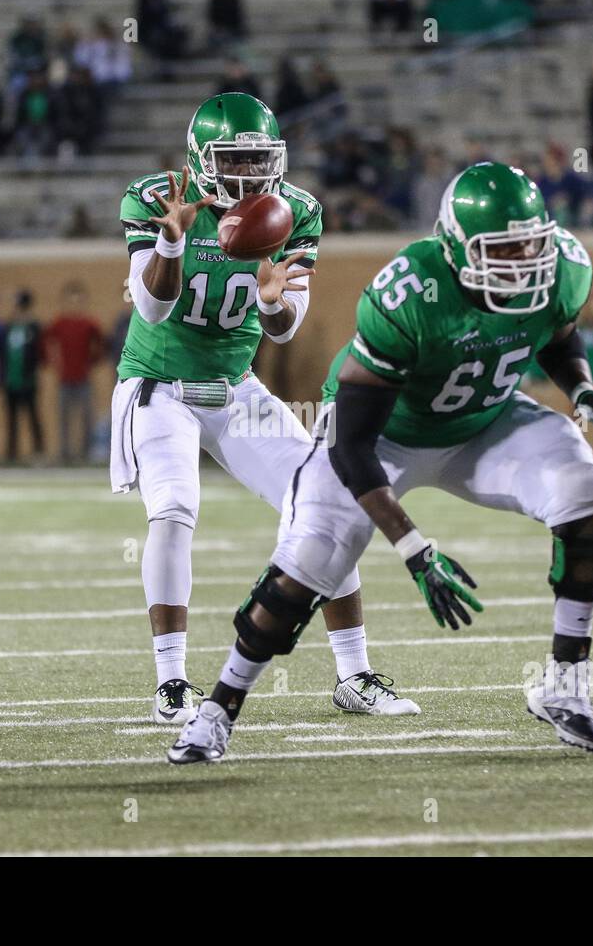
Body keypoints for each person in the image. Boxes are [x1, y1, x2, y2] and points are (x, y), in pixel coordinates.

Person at [167, 163, 593, 764]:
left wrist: (583, 392)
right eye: (504, 249)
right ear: (456, 248)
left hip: (483, 419)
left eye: (531, 243)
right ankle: (217, 712)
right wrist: (414, 548)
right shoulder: (408, 292)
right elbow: (352, 447)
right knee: (311, 558)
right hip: (385, 434)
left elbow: (555, 332)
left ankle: (566, 687)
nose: (524, 260)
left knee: (583, 487)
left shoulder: (564, 266)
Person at [114, 93, 417, 726]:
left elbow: (282, 327)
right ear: (201, 160)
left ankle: (354, 674)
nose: (251, 177)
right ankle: (171, 683)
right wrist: (171, 246)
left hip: (235, 383)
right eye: (236, 160)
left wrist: (272, 297)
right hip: (159, 382)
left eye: (260, 161)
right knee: (172, 509)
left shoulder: (294, 213)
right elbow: (151, 310)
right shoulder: (157, 197)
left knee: (325, 503)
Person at [43, 281, 103, 464]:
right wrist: (54, 363)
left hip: (83, 379)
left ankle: (85, 454)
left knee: (86, 417)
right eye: (71, 301)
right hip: (65, 379)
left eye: (78, 301)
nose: (74, 305)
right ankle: (64, 454)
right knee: (64, 418)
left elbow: (101, 344)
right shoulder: (59, 323)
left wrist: (91, 362)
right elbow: (46, 342)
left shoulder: (89, 324)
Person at [0, 289, 44, 463]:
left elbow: (38, 353)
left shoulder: (33, 327)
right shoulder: (8, 327)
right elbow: (2, 352)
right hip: (11, 380)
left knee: (33, 417)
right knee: (11, 418)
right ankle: (11, 453)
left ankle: (38, 452)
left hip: (28, 380)